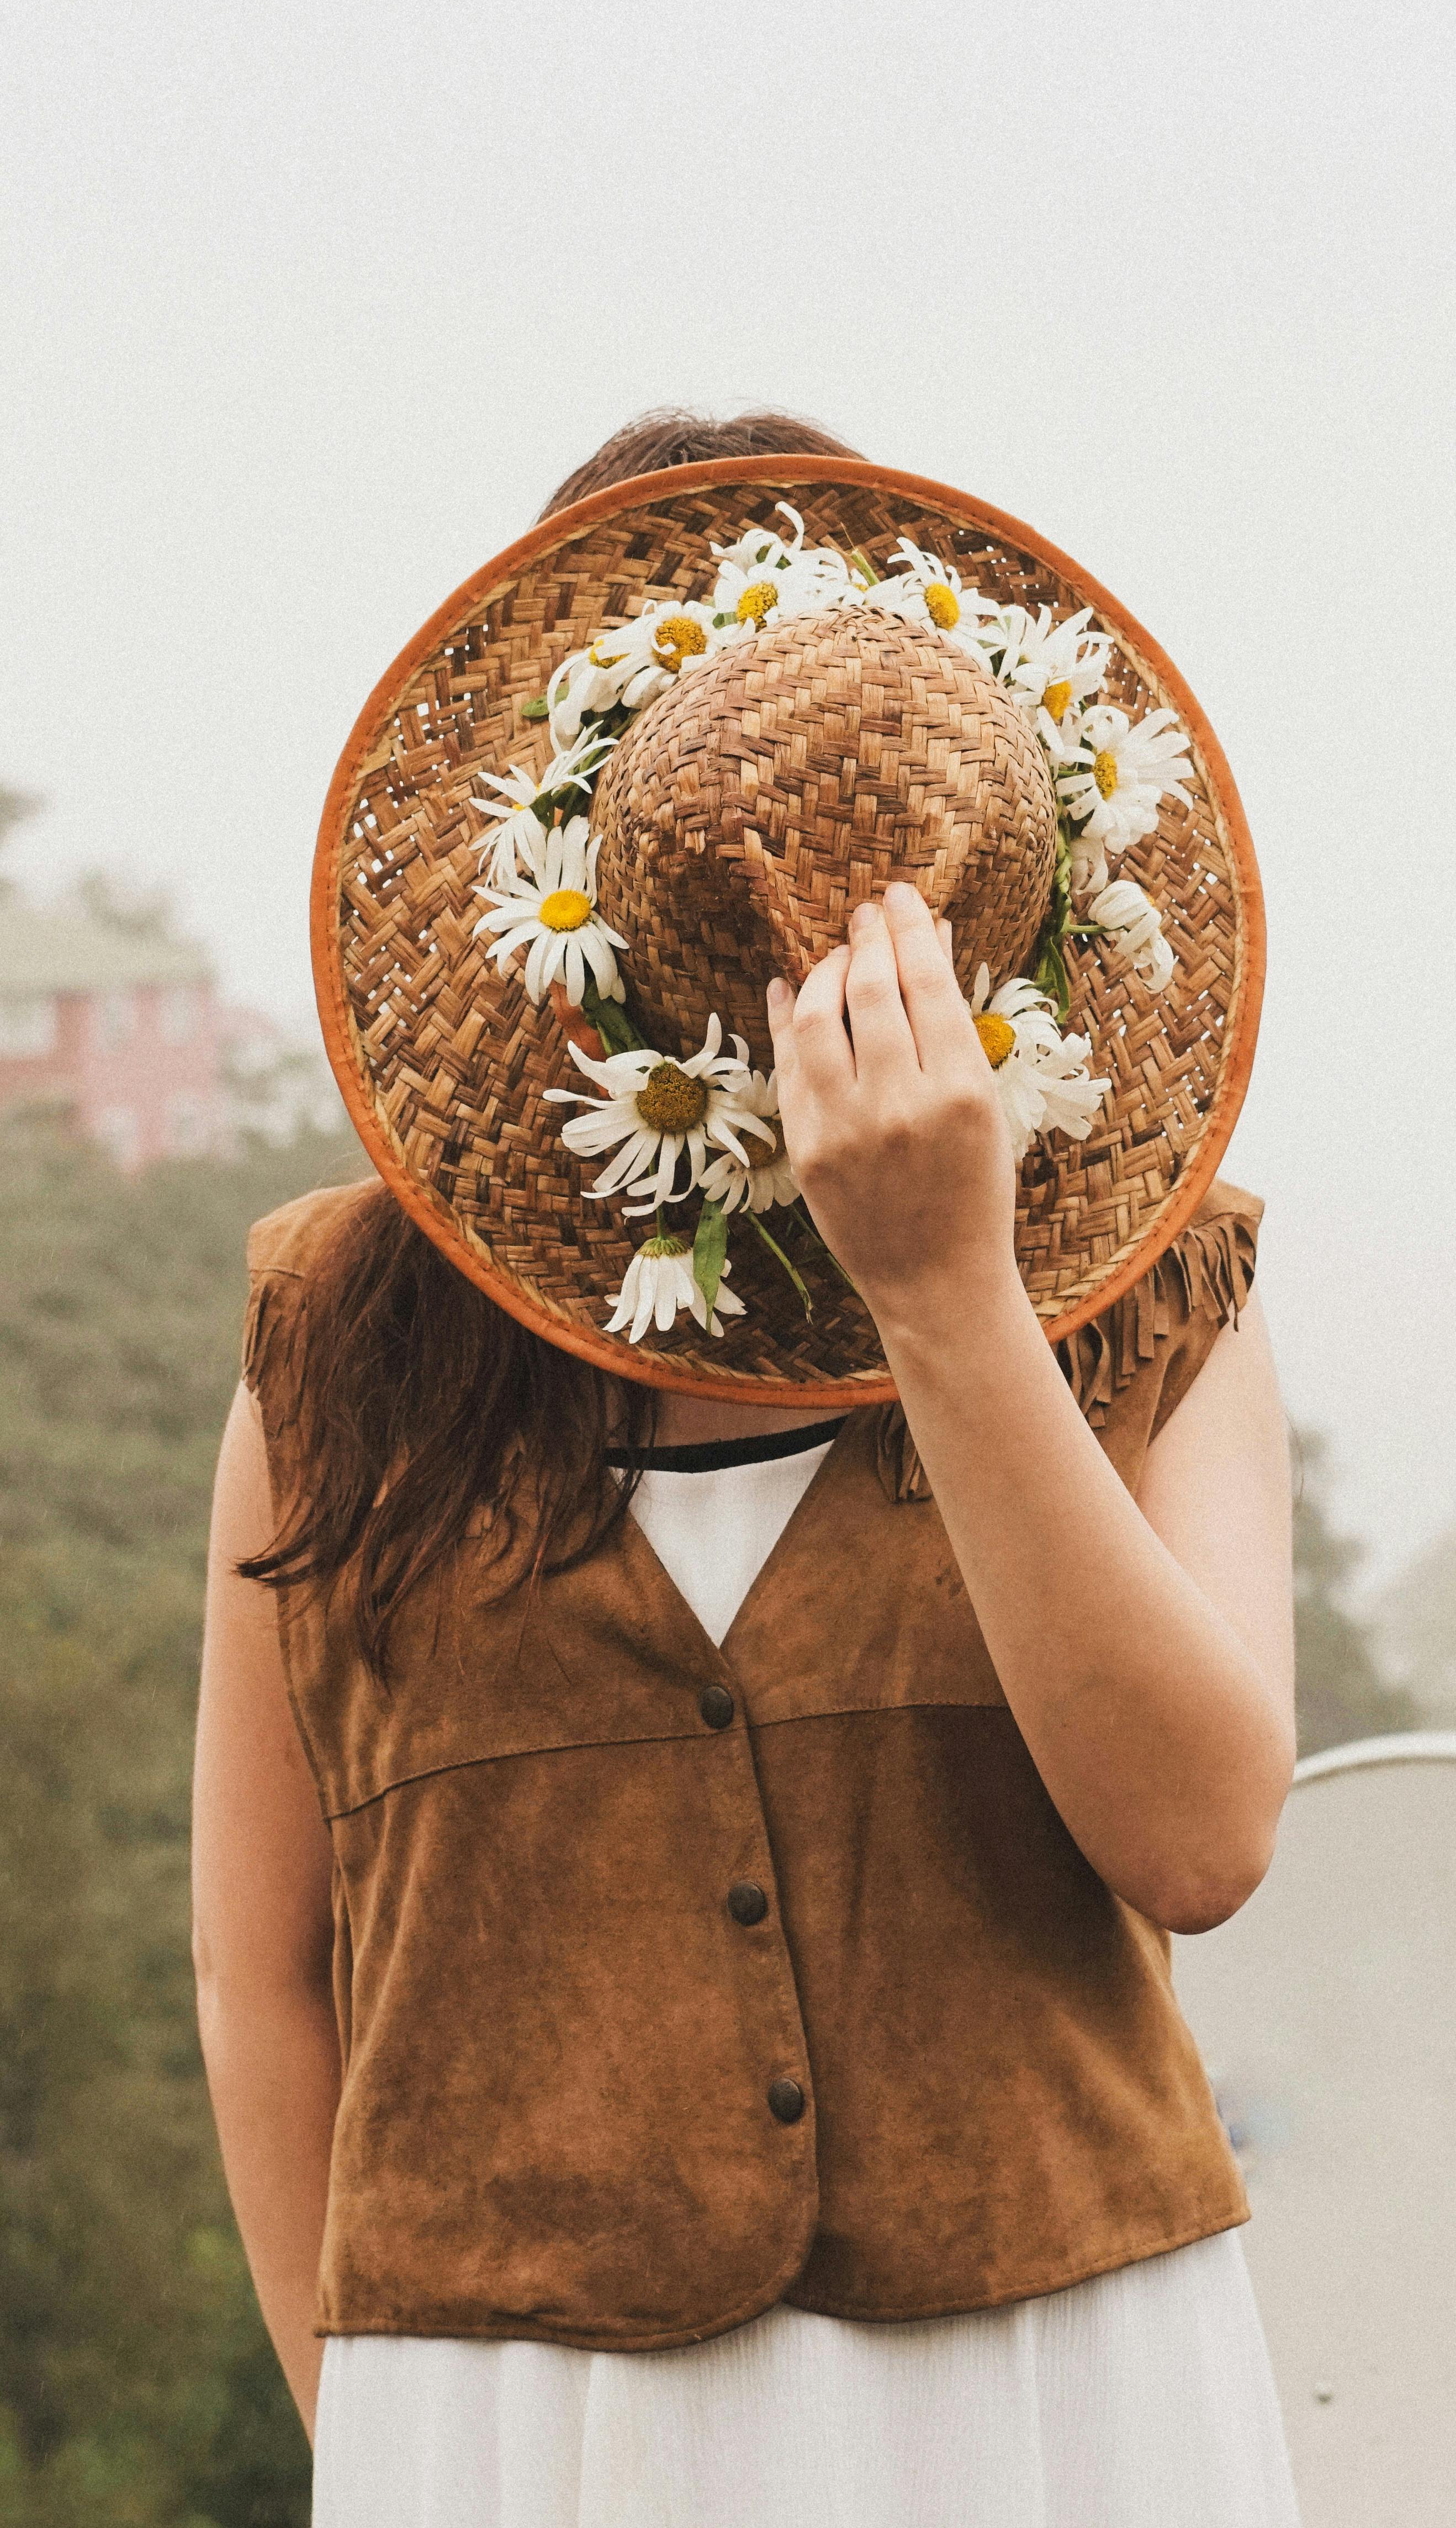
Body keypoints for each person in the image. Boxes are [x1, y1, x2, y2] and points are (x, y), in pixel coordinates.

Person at [192, 411, 1301, 2526]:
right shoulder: (344, 1345)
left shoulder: (1155, 1297)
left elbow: (1201, 1838)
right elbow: (263, 1965)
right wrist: (392, 2444)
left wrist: (952, 1304)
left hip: (1060, 2421)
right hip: (513, 2432)